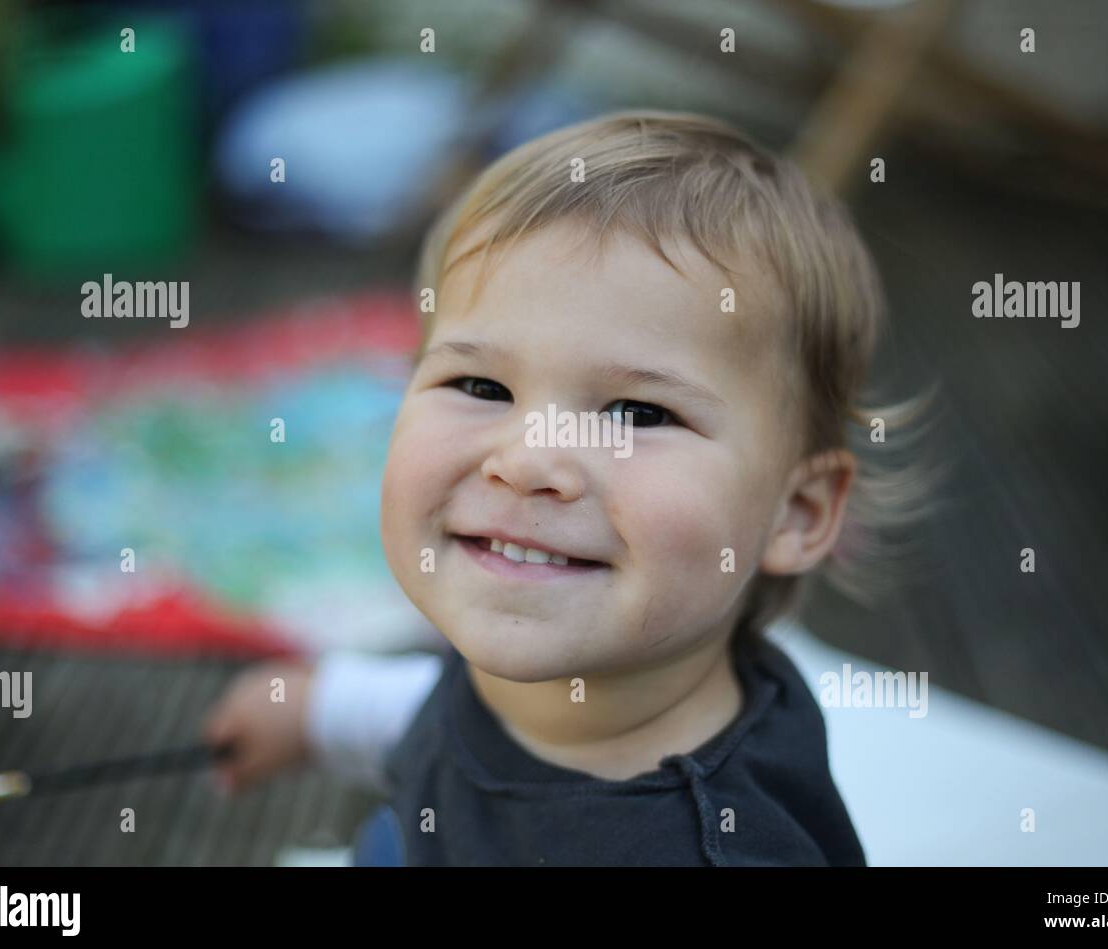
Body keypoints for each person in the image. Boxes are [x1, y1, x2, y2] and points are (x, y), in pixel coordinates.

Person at [206, 110, 923, 865]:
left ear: (797, 512)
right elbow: (460, 709)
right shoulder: (549, 639)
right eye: (480, 384)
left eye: (637, 413)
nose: (526, 461)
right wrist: (324, 713)